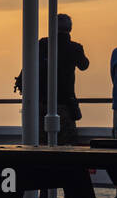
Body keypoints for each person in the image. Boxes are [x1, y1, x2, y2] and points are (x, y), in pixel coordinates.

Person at [37, 13, 90, 144]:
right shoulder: (74, 48)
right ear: (70, 28)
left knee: (42, 144)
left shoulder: (42, 44)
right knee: (67, 144)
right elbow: (84, 65)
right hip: (65, 103)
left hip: (42, 103)